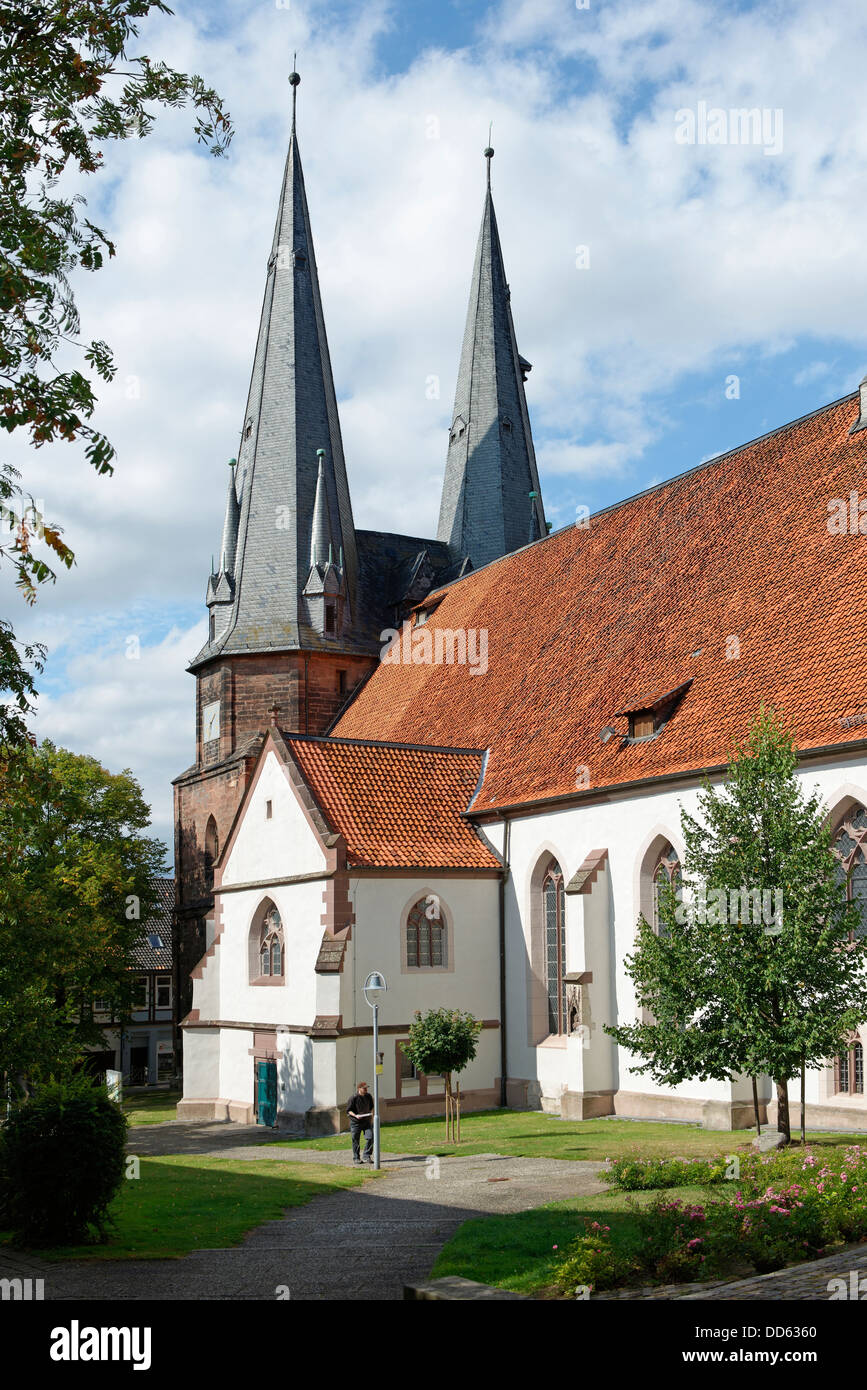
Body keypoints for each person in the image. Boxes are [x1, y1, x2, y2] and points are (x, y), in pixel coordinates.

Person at [347, 1081, 375, 1165]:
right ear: (359, 1089)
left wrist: (372, 1117)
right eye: (364, 1088)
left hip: (366, 1121)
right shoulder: (353, 1098)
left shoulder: (368, 1096)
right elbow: (349, 1111)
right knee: (356, 1140)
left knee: (370, 1137)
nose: (366, 1089)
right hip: (356, 1122)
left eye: (366, 1088)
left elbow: (371, 1107)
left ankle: (366, 1156)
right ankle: (356, 1158)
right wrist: (356, 1116)